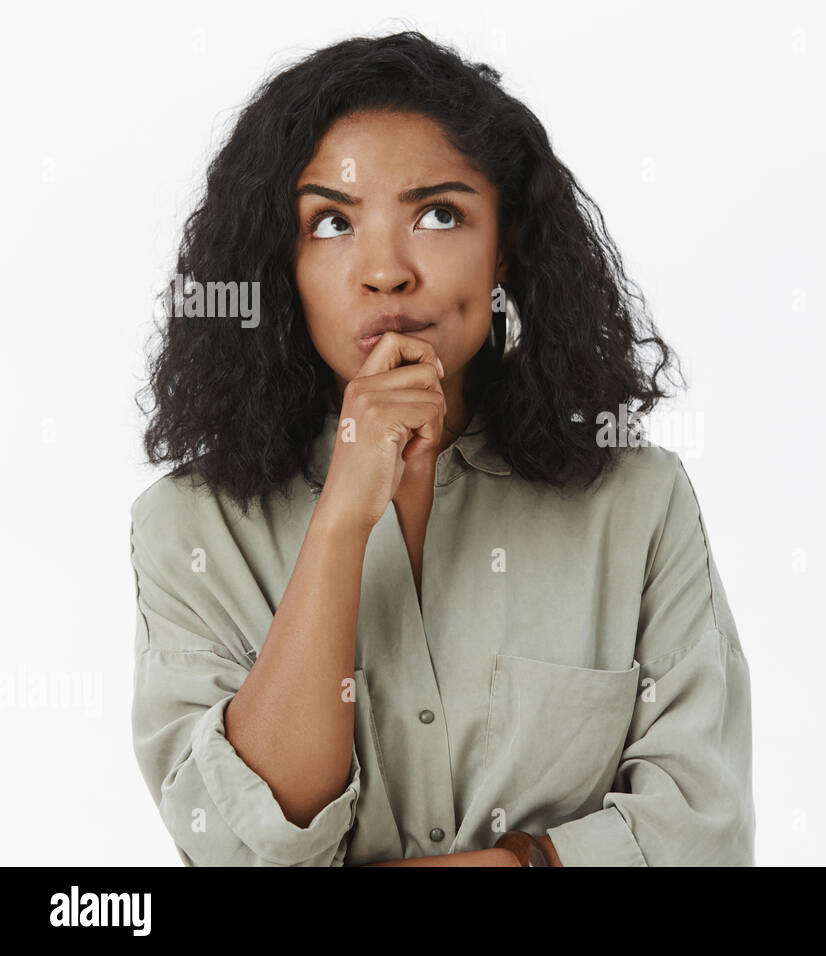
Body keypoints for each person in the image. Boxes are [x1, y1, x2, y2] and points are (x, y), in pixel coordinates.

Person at [129, 30, 755, 866]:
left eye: (438, 214)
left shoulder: (638, 502)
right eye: (332, 223)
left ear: (505, 245)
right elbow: (244, 840)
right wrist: (342, 518)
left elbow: (705, 831)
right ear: (280, 264)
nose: (385, 271)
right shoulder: (187, 529)